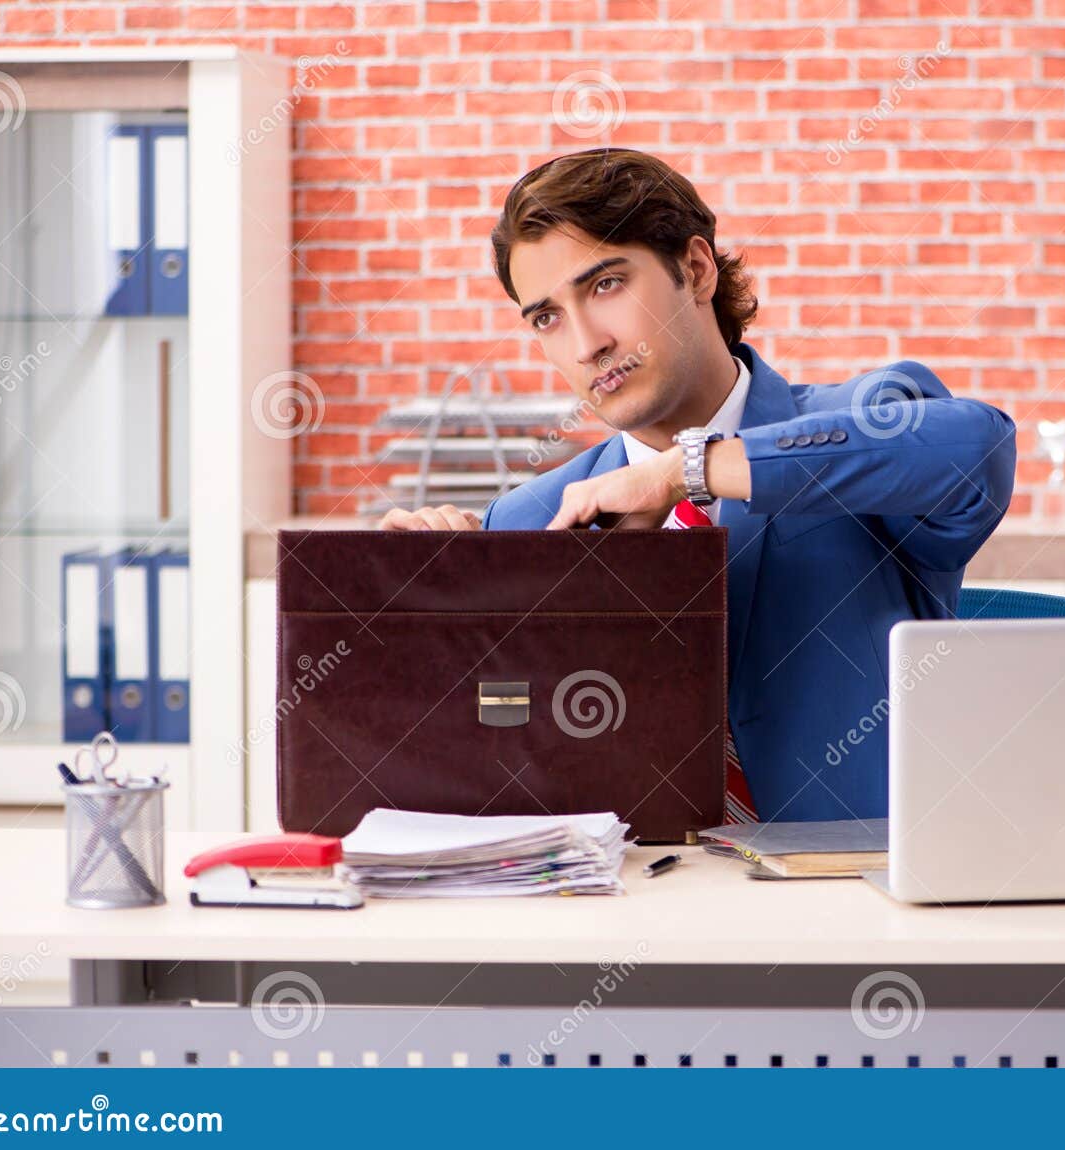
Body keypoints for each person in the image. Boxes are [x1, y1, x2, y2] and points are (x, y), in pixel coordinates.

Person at [380, 147, 1016, 821]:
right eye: (547, 317)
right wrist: (420, 612)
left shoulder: (863, 422)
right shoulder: (526, 520)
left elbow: (977, 447)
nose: (586, 345)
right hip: (628, 882)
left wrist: (686, 471)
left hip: (859, 879)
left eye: (605, 285)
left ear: (696, 269)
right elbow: (486, 779)